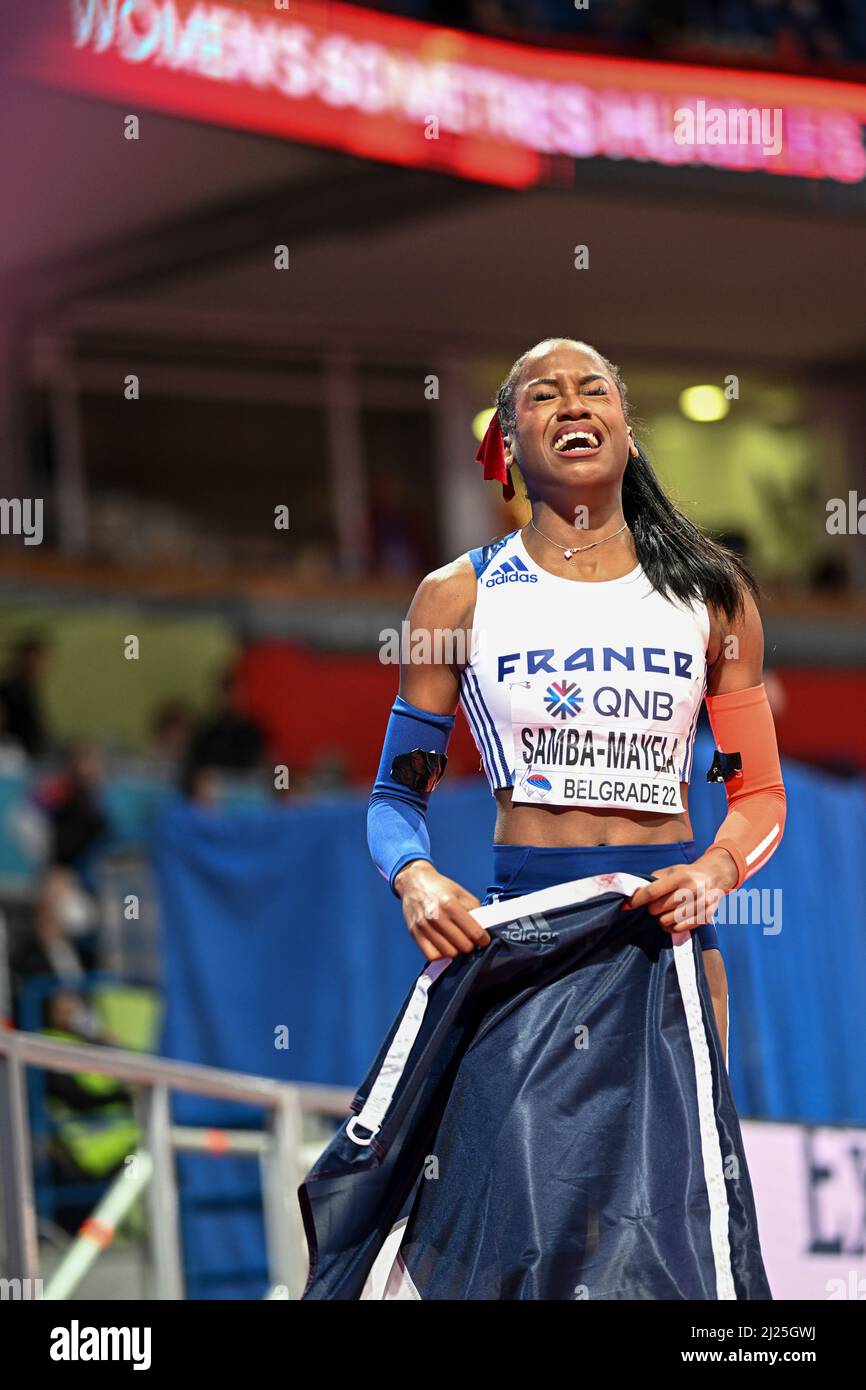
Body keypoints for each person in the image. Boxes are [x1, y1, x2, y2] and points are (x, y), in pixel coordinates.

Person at [302, 338, 786, 1301]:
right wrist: (415, 875)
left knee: (675, 1257)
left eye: (593, 388)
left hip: (668, 962)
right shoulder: (459, 594)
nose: (572, 403)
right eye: (541, 395)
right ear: (506, 444)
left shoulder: (712, 594)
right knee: (513, 1247)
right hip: (521, 961)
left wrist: (716, 874)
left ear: (625, 431)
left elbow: (758, 797)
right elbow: (398, 797)